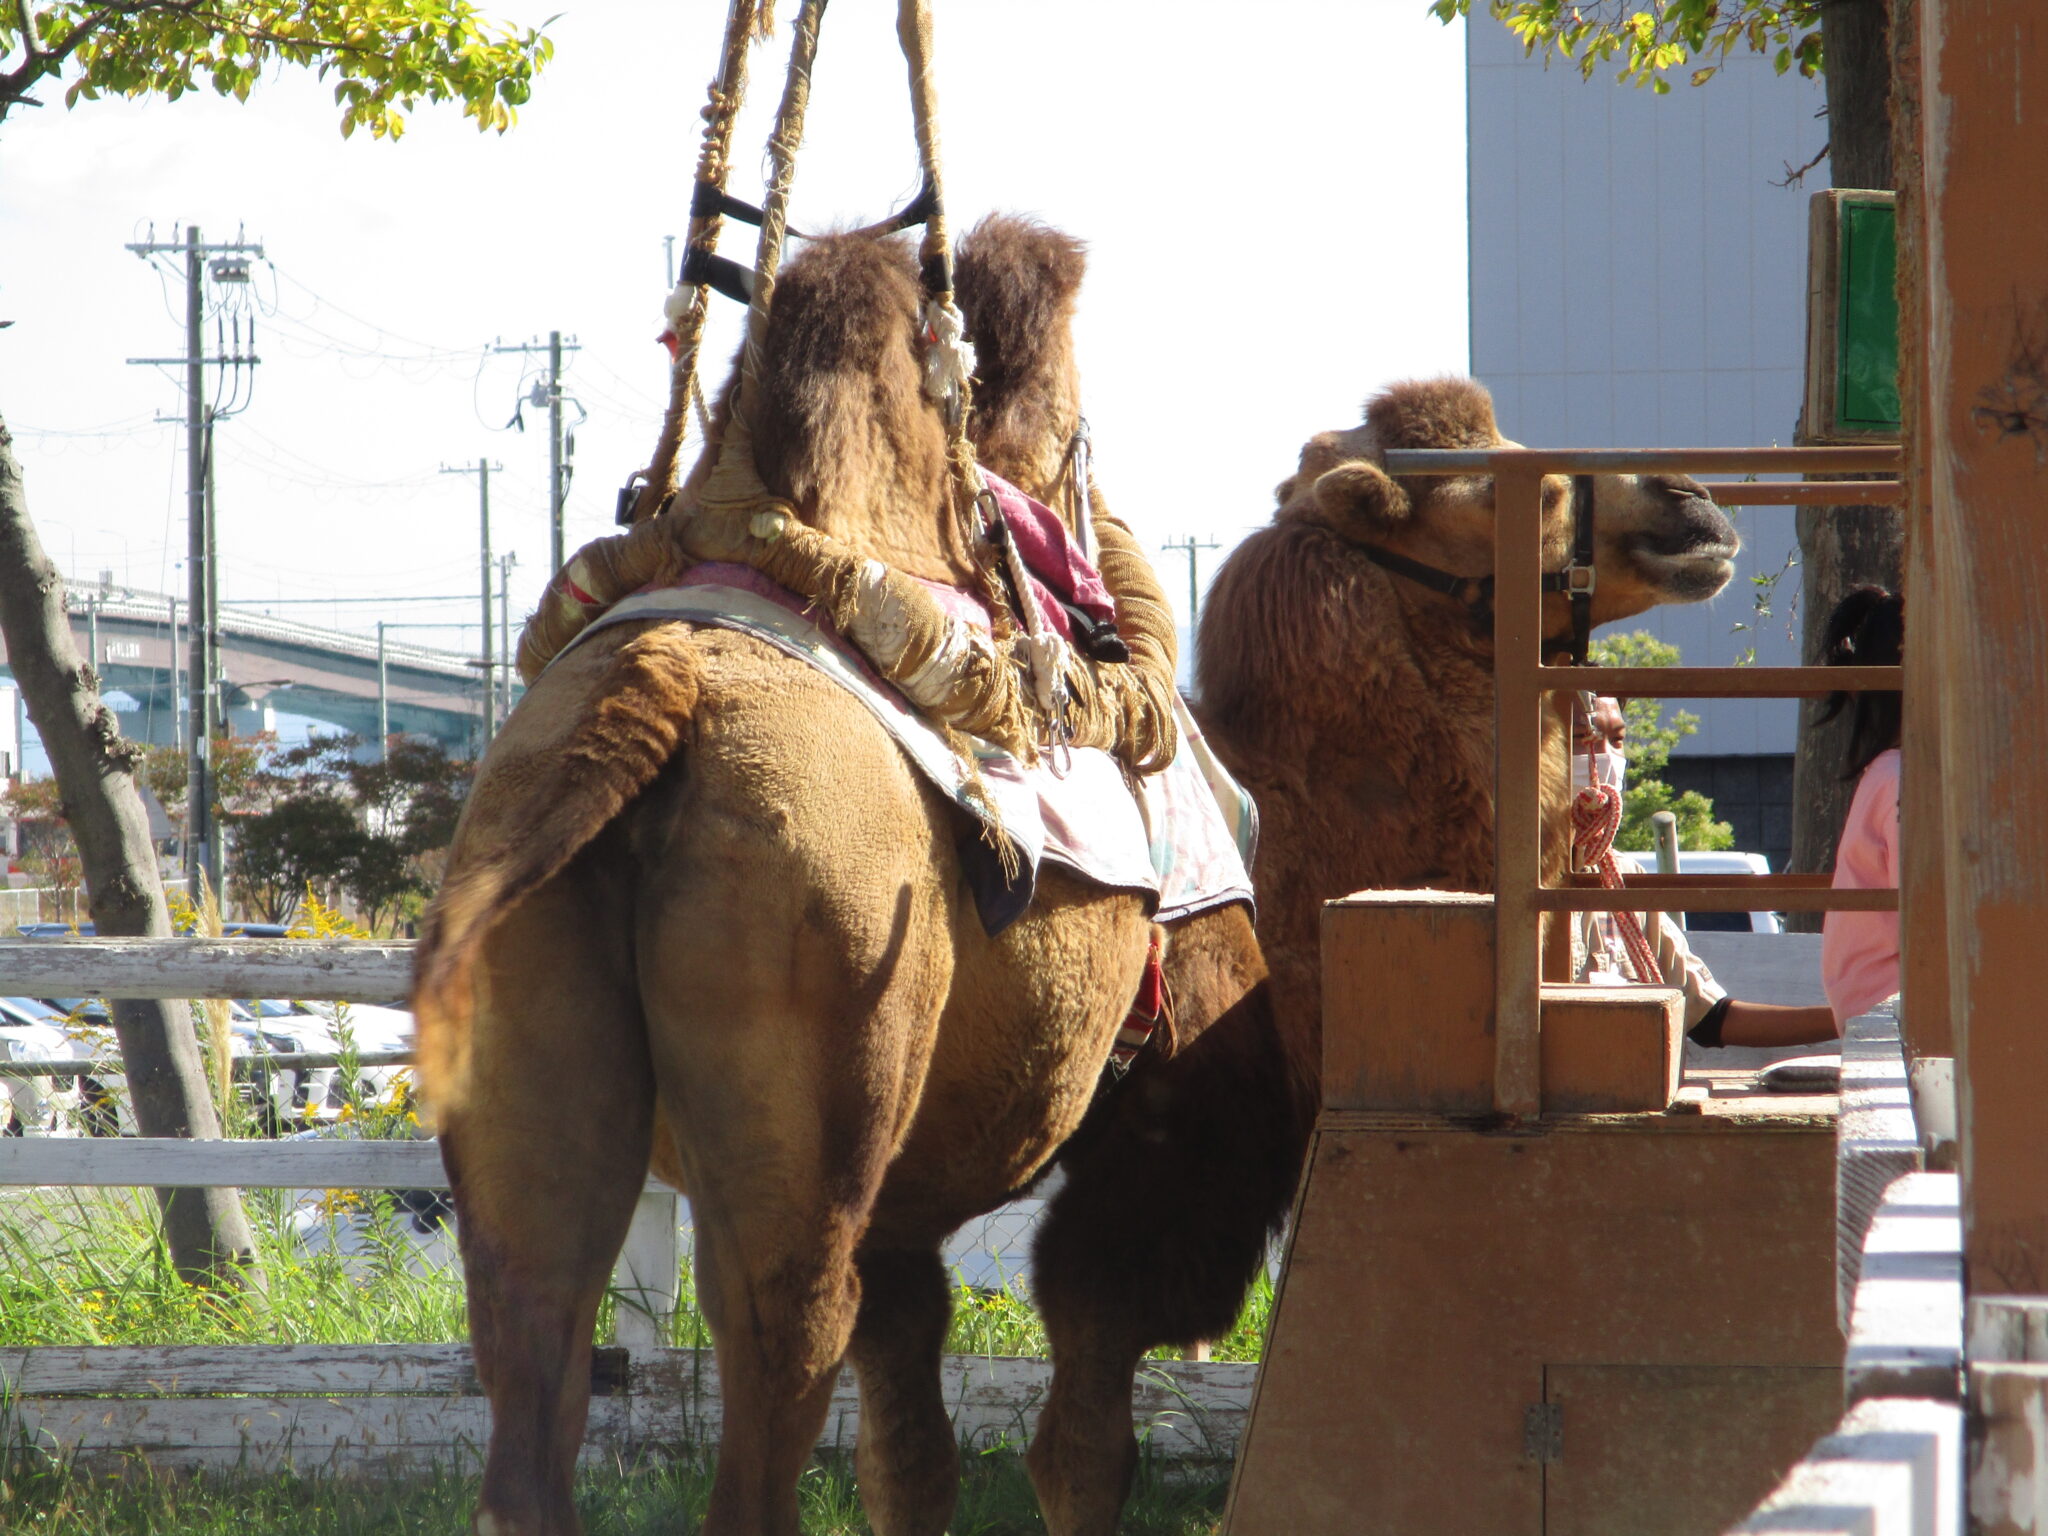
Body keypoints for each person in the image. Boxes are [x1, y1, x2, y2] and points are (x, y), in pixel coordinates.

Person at [1568, 693, 1835, 1047]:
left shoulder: (1621, 876)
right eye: (1581, 739)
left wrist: (1850, 1018)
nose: (1604, 759)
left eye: (1616, 740)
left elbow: (1709, 1017)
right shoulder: (1489, 875)